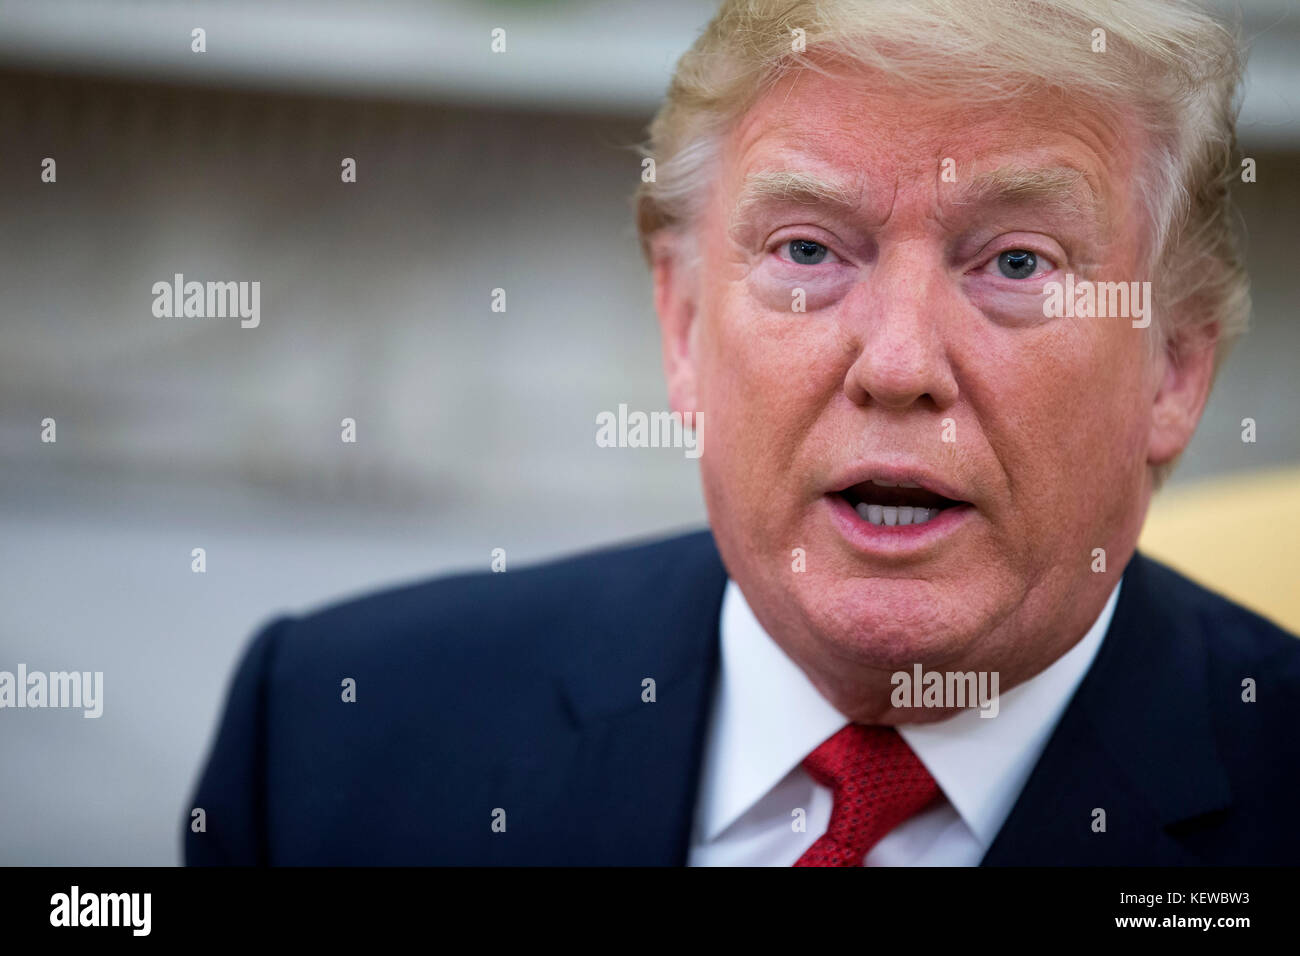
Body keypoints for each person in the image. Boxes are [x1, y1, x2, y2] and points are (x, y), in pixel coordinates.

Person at [186, 0, 1300, 865]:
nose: (899, 365)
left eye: (1016, 263)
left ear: (1175, 366)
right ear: (680, 323)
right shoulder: (337, 733)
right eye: (809, 251)